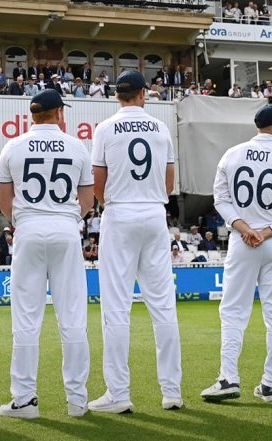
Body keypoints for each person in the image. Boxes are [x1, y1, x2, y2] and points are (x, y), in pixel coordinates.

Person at [0, 89, 94, 418]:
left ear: (32, 115)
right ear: (59, 113)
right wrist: (65, 219)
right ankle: (77, 400)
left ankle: (24, 400)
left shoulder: (13, 146)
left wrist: (25, 221)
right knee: (73, 317)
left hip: (28, 228)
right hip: (65, 228)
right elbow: (87, 201)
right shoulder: (77, 146)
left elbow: (4, 202)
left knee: (26, 318)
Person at [89, 70, 183, 413]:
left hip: (120, 213)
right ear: (143, 94)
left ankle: (118, 393)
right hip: (154, 213)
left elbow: (98, 181)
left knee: (116, 307)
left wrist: (111, 204)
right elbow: (169, 183)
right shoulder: (160, 128)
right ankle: (172, 391)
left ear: (117, 95)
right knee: (163, 306)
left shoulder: (105, 128)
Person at [200, 104, 272, 403]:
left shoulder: (232, 154)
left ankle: (228, 378)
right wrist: (268, 231)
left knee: (233, 311)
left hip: (242, 240)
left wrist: (245, 228)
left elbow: (220, 199)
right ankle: (271, 384)